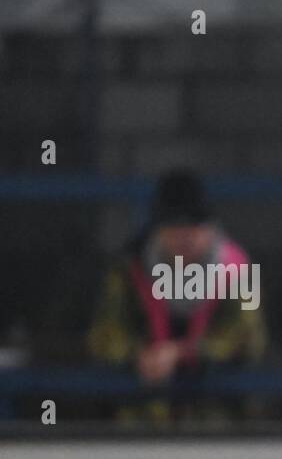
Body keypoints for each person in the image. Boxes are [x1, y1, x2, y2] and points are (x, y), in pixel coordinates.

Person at [88, 168, 267, 420]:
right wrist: (138, 357)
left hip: (217, 423)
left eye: (193, 225)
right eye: (173, 226)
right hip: (140, 420)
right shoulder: (128, 269)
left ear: (210, 227)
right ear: (157, 229)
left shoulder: (242, 270)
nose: (184, 237)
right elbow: (104, 336)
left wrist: (184, 353)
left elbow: (251, 338)